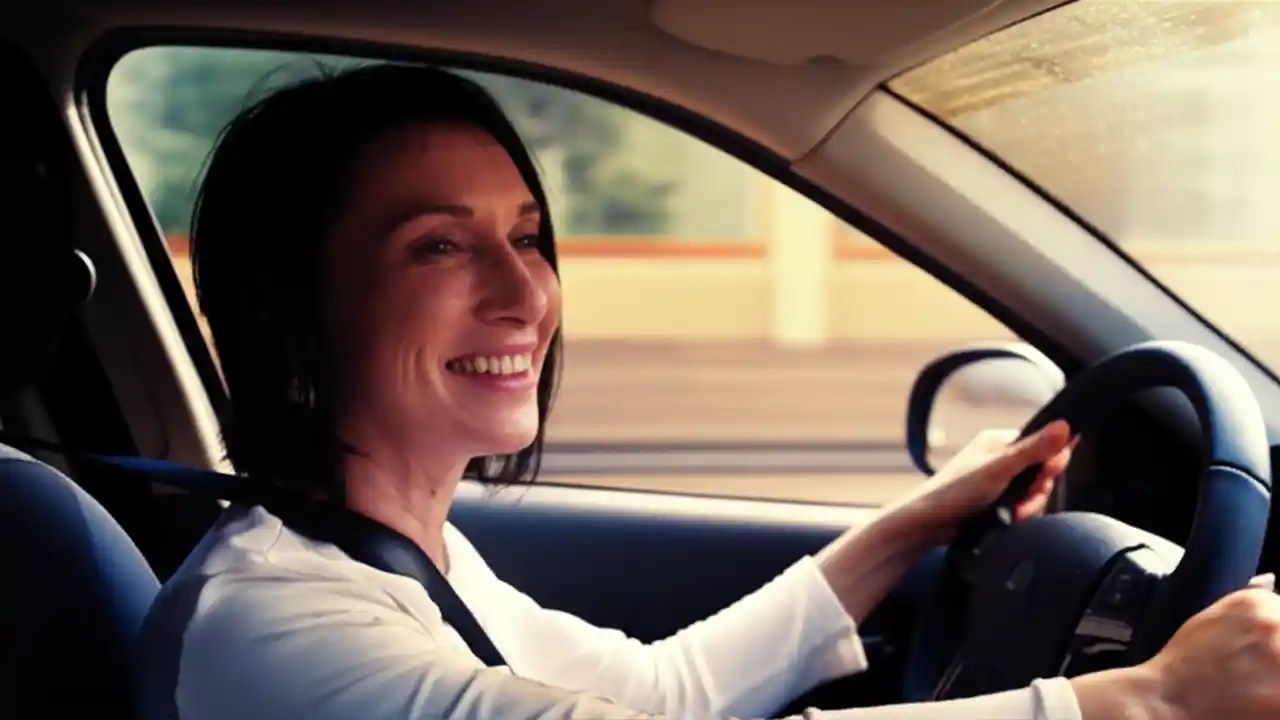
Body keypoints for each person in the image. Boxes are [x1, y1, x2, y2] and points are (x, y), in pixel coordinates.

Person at [134, 63, 1280, 720]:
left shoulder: (404, 554)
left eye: (528, 236)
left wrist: (925, 517)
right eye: (438, 248)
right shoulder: (276, 629)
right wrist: (1147, 700)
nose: (523, 293)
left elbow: (662, 689)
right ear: (295, 322)